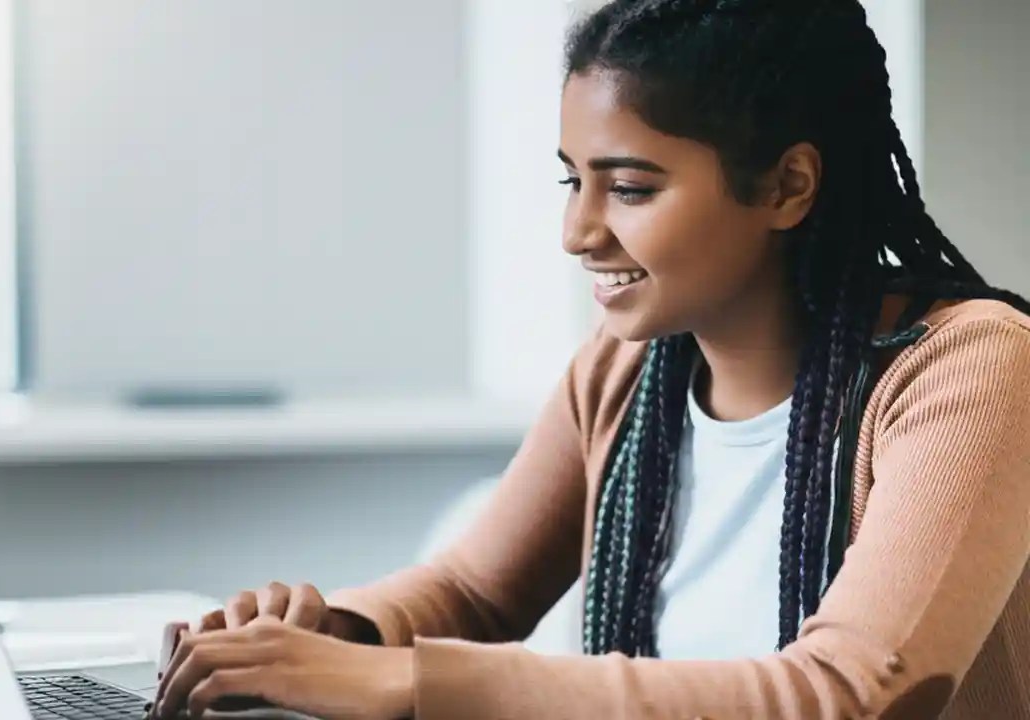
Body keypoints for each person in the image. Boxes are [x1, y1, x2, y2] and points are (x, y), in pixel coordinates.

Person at [148, 1, 1030, 718]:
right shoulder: (623, 373)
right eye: (574, 180)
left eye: (631, 188)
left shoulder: (971, 367)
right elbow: (473, 590)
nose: (577, 232)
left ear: (787, 185)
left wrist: (409, 681)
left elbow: (849, 697)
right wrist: (332, 638)